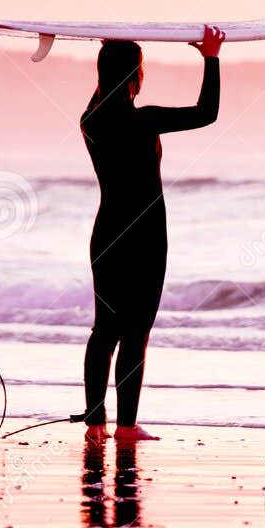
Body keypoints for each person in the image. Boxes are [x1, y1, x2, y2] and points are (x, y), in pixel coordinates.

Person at [78, 27, 224, 442]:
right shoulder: (144, 120)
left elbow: (104, 90)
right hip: (144, 238)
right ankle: (126, 427)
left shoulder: (91, 120)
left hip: (107, 234)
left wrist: (111, 55)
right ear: (137, 76)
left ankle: (95, 424)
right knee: (136, 331)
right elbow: (206, 112)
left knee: (104, 330)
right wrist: (211, 58)